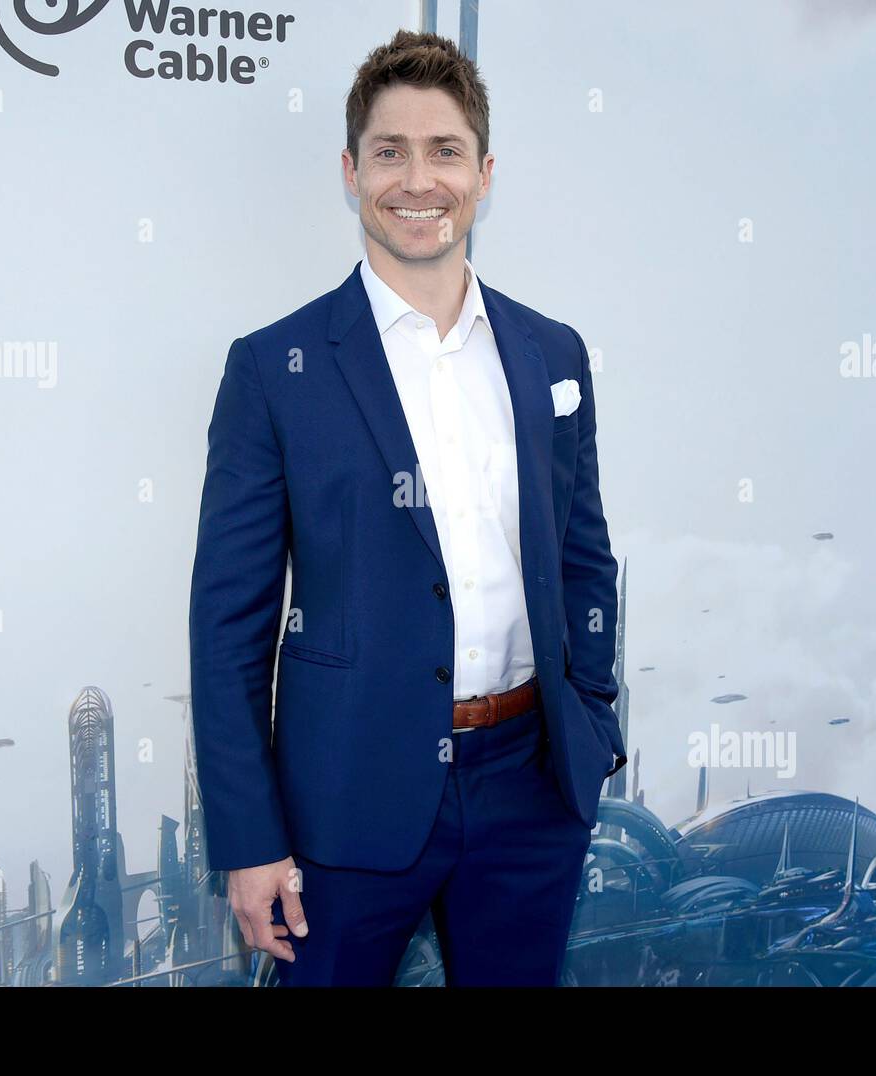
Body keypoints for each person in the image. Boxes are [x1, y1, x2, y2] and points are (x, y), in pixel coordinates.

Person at [189, 28, 626, 987]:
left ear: (484, 172)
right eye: (390, 152)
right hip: (342, 801)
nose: (417, 179)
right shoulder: (275, 368)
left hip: (530, 785)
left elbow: (584, 555)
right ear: (351, 172)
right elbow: (228, 624)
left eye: (445, 151)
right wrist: (248, 839)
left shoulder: (554, 355)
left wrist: (592, 721)